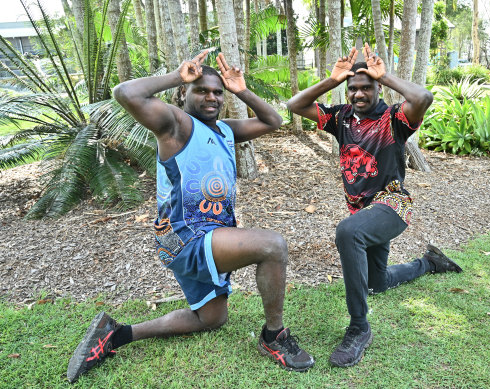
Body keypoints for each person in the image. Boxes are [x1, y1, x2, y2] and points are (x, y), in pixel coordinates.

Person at [66, 51, 314, 383]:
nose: (211, 97)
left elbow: (273, 121)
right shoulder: (176, 125)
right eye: (201, 90)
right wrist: (176, 75)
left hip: (210, 234)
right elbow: (126, 93)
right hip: (187, 237)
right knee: (272, 245)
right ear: (184, 94)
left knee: (211, 318)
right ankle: (274, 337)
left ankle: (117, 334)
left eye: (217, 91)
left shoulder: (225, 130)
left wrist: (240, 89)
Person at [287, 43, 463, 368]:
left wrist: (387, 74)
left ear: (377, 87)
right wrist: (332, 80)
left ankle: (359, 328)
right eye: (352, 88)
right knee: (376, 282)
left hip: (393, 206)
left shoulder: (393, 118)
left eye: (366, 87)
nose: (358, 94)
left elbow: (423, 98)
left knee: (347, 232)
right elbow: (295, 104)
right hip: (364, 214)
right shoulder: (340, 118)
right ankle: (429, 263)